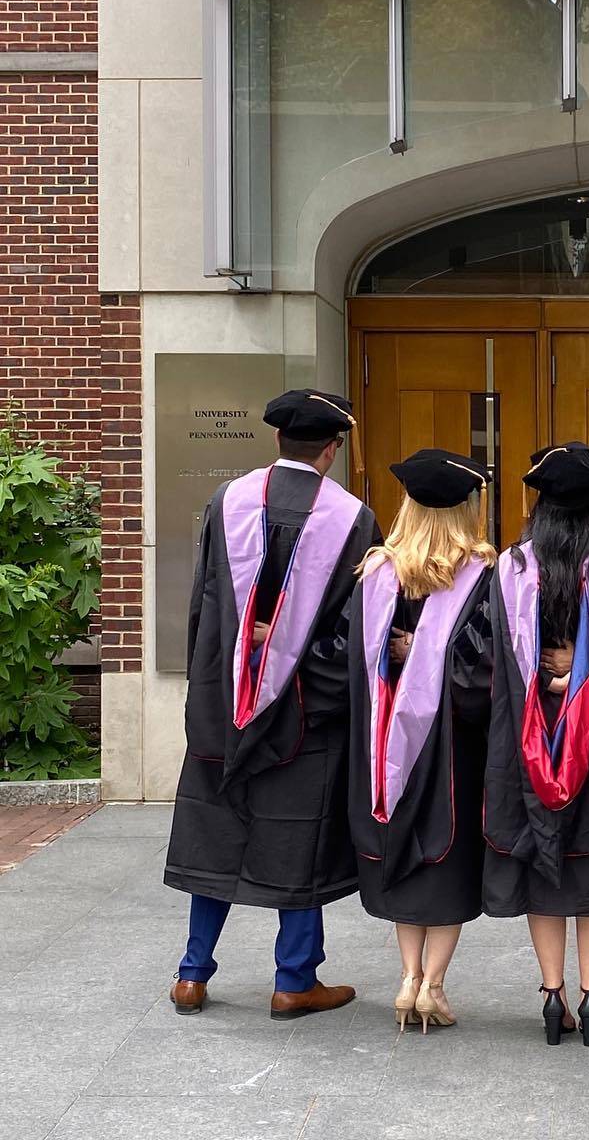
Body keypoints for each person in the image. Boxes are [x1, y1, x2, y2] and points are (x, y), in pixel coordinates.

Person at [164, 390, 379, 1019]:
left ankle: (192, 974)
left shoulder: (225, 503)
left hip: (225, 705)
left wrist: (211, 693)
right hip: (304, 711)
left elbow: (203, 615)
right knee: (297, 838)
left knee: (217, 832)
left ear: (277, 441)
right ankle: (293, 980)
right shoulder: (353, 520)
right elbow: (354, 629)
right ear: (332, 448)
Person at [483, 442, 589, 1047]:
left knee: (539, 866)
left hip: (525, 744)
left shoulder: (510, 569)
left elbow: (487, 659)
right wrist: (575, 676)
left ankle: (552, 994)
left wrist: (548, 681)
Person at [346, 449, 494, 1034]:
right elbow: (482, 670)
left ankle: (407, 977)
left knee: (402, 849)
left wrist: (399, 655)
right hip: (453, 748)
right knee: (445, 855)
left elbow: (350, 658)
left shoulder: (377, 572)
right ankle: (433, 983)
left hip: (384, 746)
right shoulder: (483, 575)